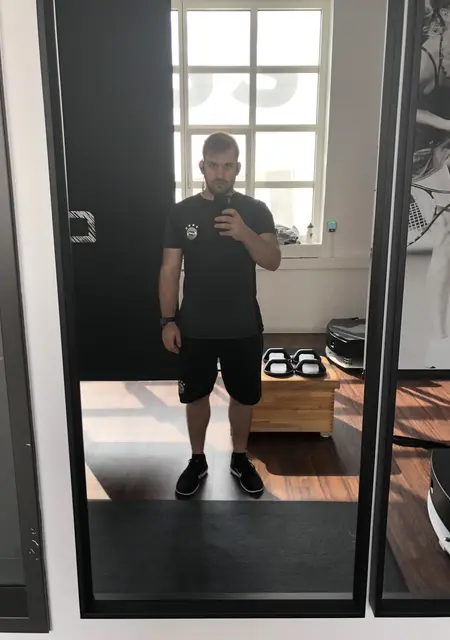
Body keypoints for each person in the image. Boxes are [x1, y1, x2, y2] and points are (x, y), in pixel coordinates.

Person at [159, 132, 281, 497]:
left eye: (228, 166)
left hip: (242, 324)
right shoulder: (181, 212)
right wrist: (167, 320)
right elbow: (169, 270)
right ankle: (197, 459)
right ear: (202, 166)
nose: (220, 173)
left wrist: (244, 232)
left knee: (243, 397)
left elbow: (272, 260)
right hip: (195, 325)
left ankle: (240, 458)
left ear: (238, 168)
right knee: (196, 396)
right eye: (214, 165)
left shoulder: (256, 210)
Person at [411, 1, 450, 367]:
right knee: (445, 234)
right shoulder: (425, 61)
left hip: (443, 144)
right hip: (421, 152)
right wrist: (447, 126)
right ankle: (439, 338)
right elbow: (407, 111)